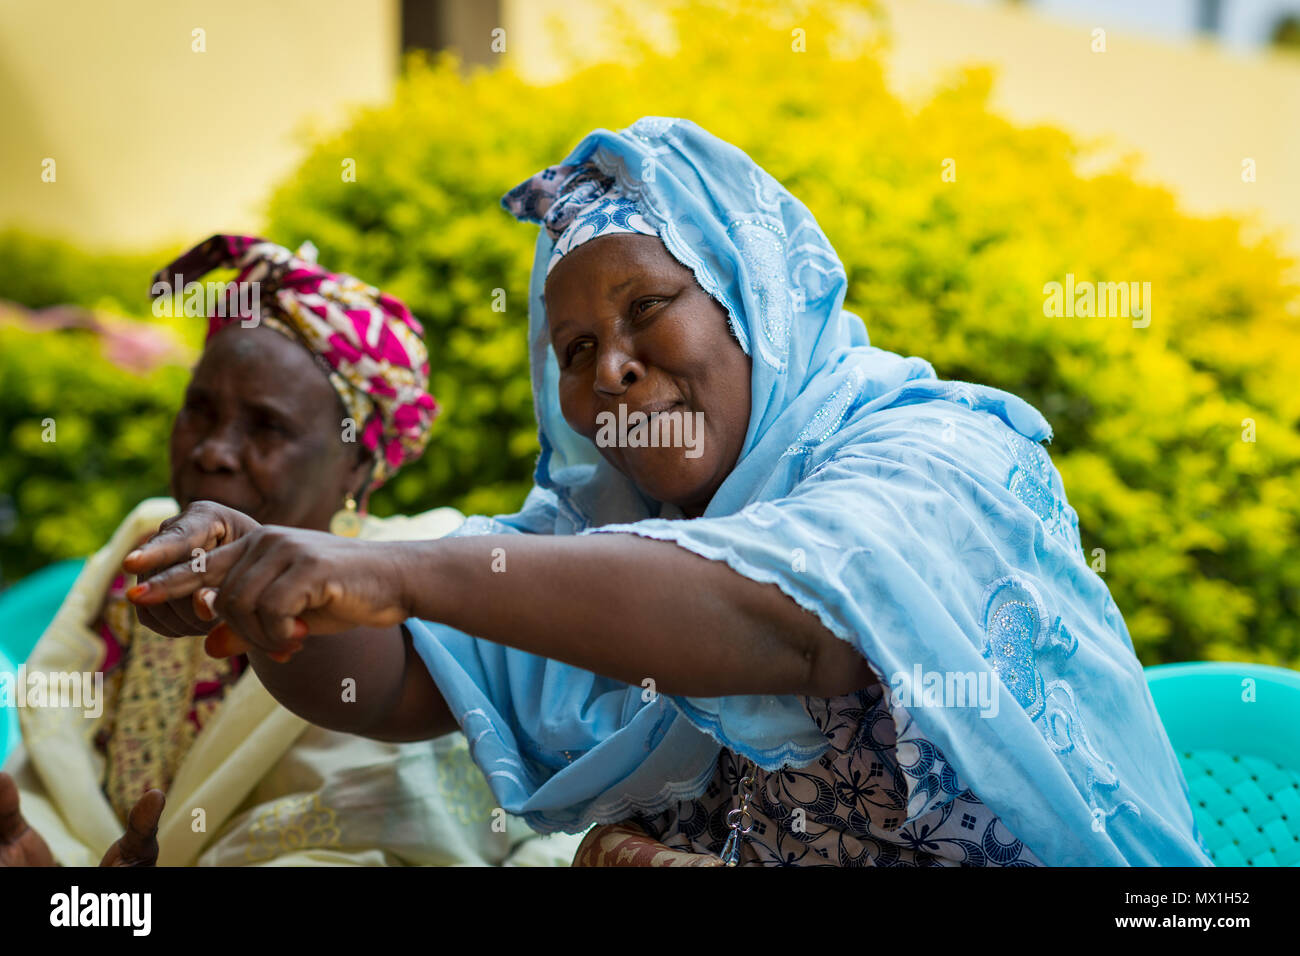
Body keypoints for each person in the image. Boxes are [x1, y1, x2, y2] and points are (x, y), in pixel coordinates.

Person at [125, 121, 1214, 866]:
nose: (609, 369)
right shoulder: (609, 537)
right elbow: (401, 680)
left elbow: (785, 623)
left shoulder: (932, 457)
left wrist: (398, 565)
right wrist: (265, 586)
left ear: (750, 298)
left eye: (649, 307)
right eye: (575, 345)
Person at [0, 235, 581, 867]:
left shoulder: (415, 583)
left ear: (357, 463)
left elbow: (399, 835)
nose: (213, 450)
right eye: (198, 410)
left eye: (267, 427)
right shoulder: (142, 547)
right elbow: (52, 765)